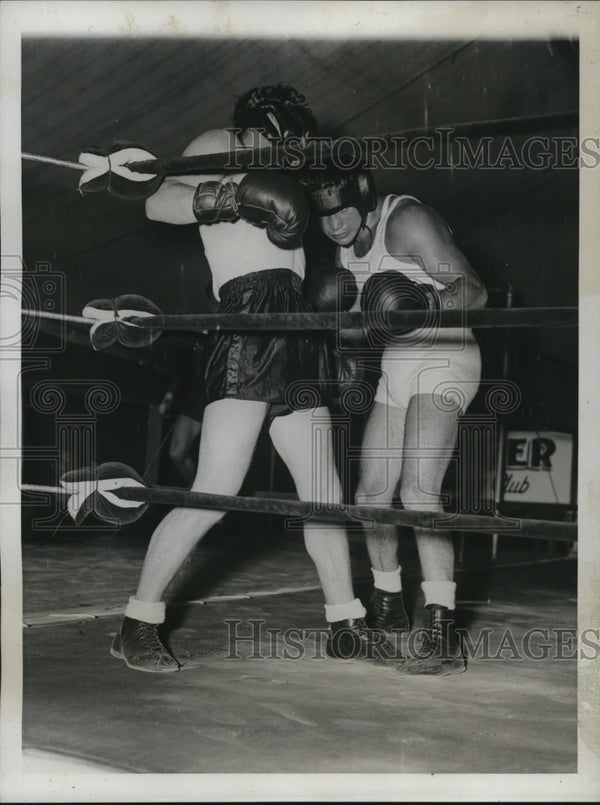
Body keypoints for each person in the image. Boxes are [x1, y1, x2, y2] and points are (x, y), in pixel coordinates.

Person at [103, 86, 390, 672]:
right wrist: (230, 194)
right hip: (248, 318)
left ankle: (347, 623)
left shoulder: (291, 168)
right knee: (215, 490)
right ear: (262, 127)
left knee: (324, 496)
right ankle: (138, 621)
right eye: (282, 138)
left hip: (297, 322)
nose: (289, 150)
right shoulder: (220, 143)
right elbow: (157, 200)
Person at [304, 169, 488, 675]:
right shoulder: (344, 245)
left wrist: (419, 308)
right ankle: (388, 600)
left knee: (419, 493)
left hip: (447, 356)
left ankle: (442, 629)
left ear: (362, 199)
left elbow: (474, 290)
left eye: (342, 210)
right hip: (398, 365)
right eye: (324, 215)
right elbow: (369, 319)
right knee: (370, 495)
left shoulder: (407, 220)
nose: (336, 223)